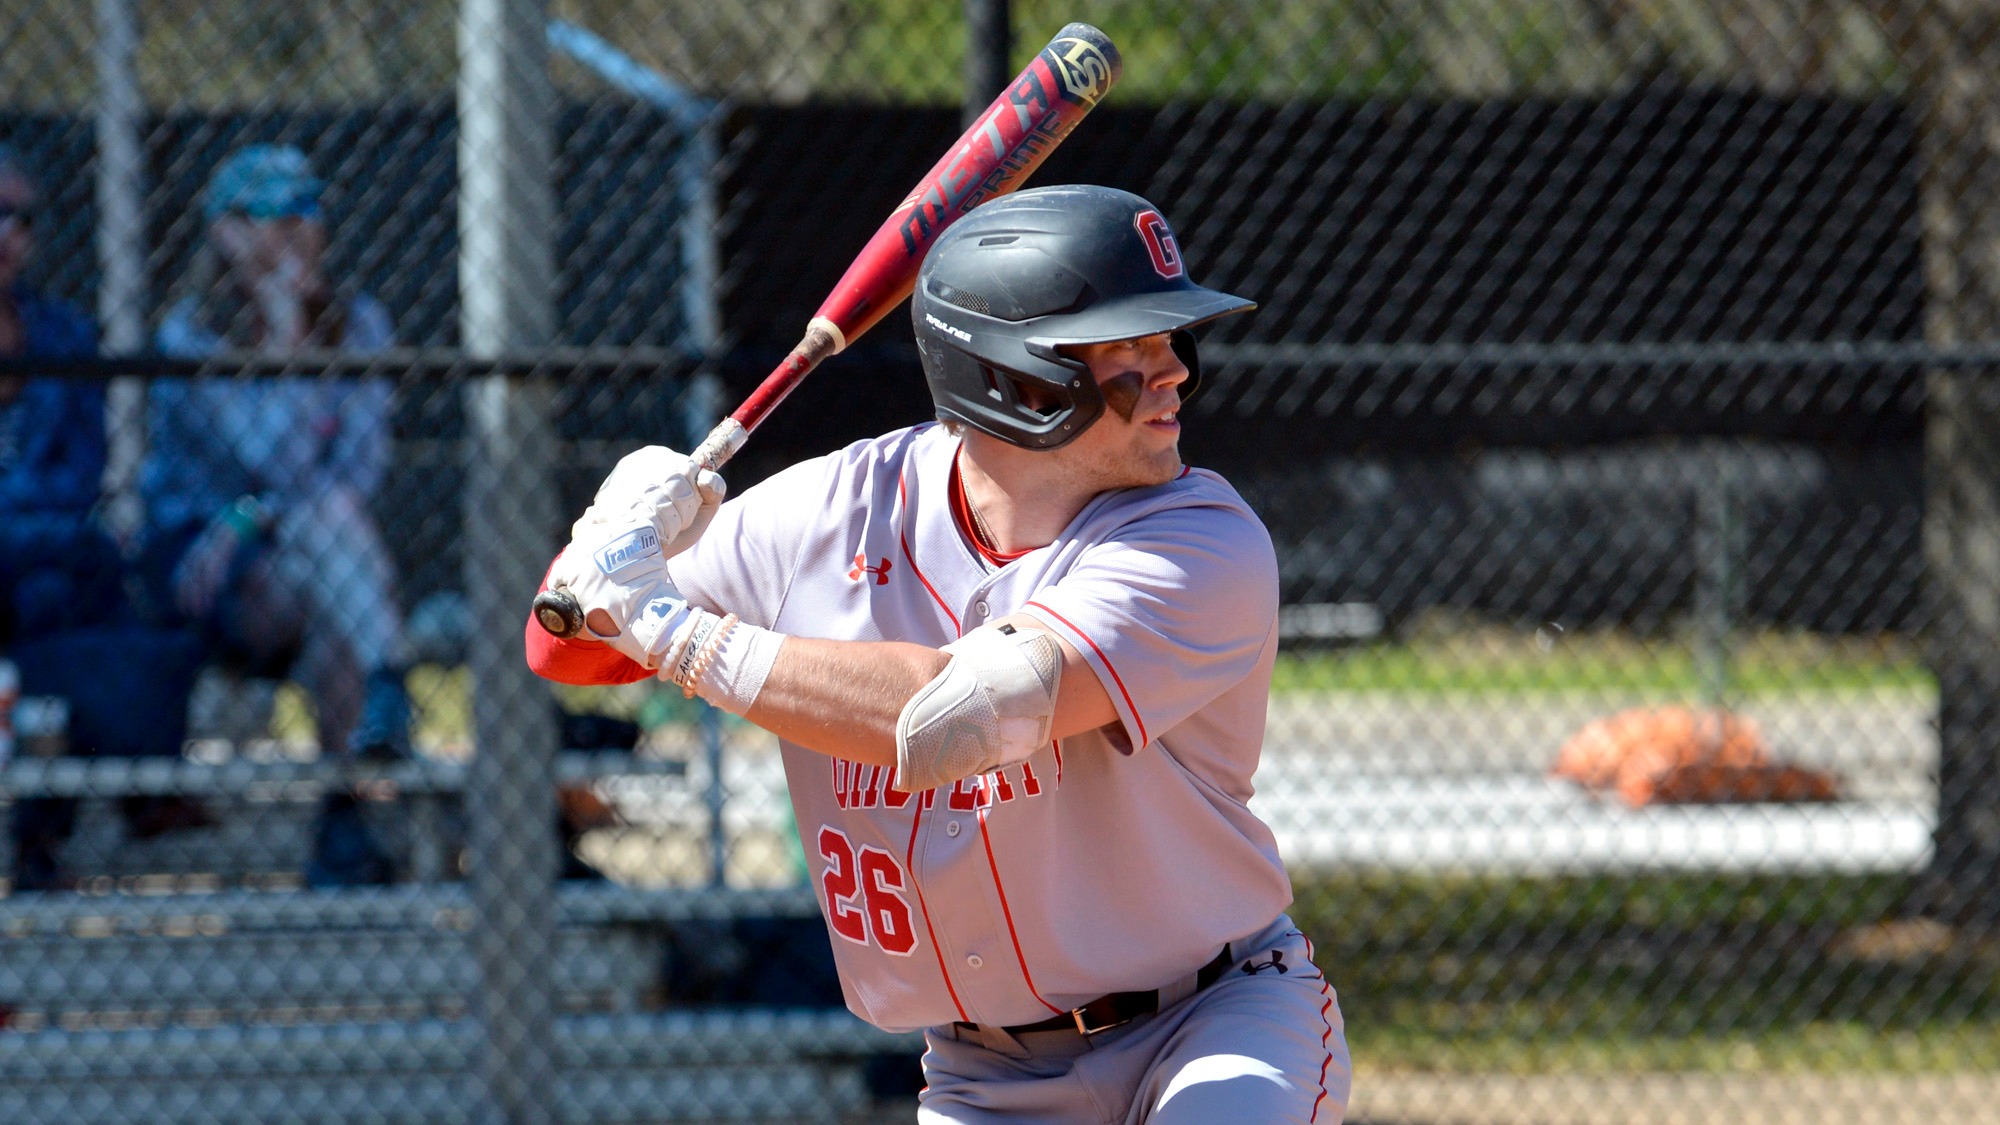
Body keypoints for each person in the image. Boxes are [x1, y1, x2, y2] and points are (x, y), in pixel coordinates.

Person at [527, 186, 1352, 1123]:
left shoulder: (1201, 540)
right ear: (1013, 376)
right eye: (1130, 346)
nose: (1174, 374)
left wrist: (671, 628)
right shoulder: (831, 509)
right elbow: (562, 652)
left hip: (1215, 1021)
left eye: (1174, 341)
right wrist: (605, 551)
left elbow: (957, 715)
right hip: (984, 1077)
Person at [141, 144, 410, 885]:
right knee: (328, 533)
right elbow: (266, 458)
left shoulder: (360, 325)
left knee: (330, 572)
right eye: (267, 213)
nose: (293, 229)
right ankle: (388, 687)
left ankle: (344, 819)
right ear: (225, 233)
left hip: (301, 552)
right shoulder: (191, 335)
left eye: (306, 209)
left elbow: (359, 471)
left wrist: (258, 514)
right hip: (207, 562)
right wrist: (289, 334)